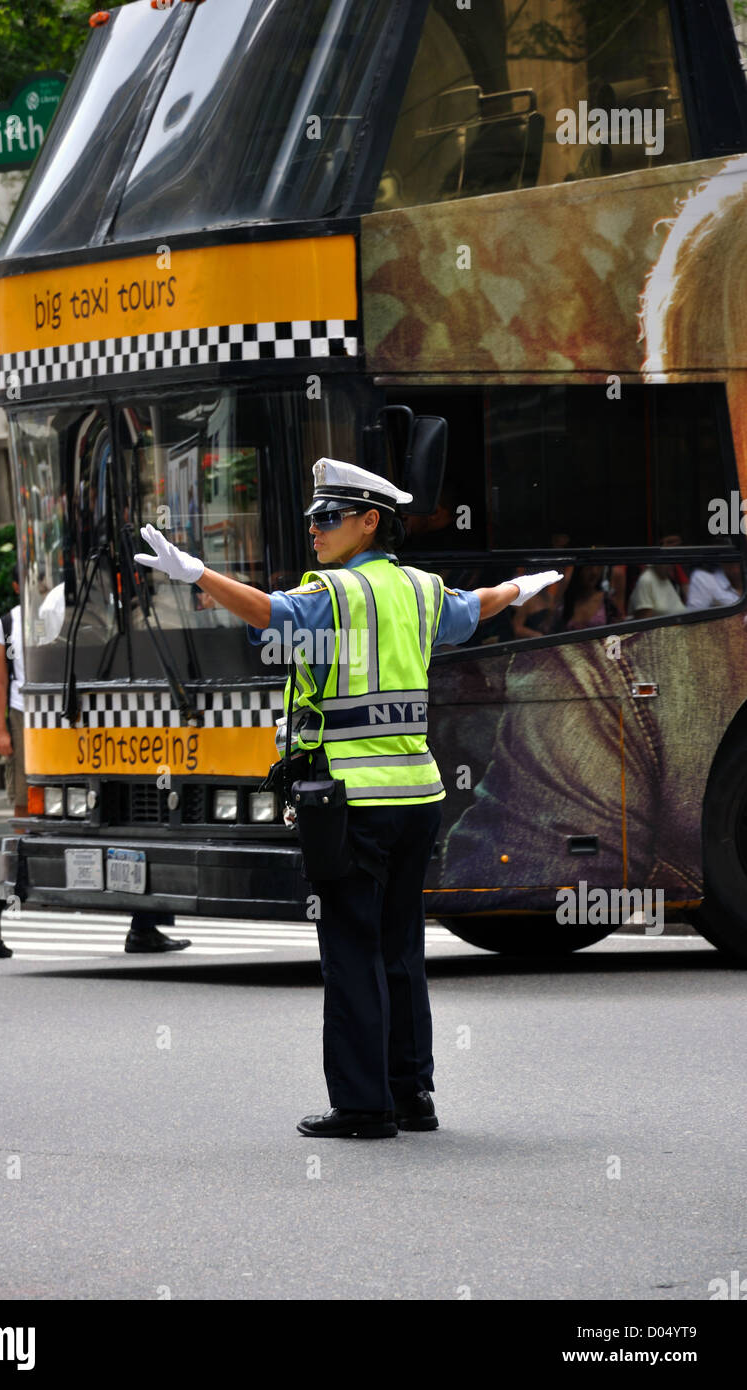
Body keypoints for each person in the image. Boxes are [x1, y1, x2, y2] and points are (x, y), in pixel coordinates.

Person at [135, 458, 559, 1137]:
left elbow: (272, 614)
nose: (313, 529)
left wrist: (197, 574)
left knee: (351, 951)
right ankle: (412, 1096)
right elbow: (470, 611)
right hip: (418, 799)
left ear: (369, 522)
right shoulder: (421, 590)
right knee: (399, 949)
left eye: (326, 517)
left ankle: (363, 1107)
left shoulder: (333, 592)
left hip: (350, 803)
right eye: (311, 518)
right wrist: (517, 589)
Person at [0, 571, 190, 958]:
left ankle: (144, 925)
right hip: (114, 722)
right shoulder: (97, 610)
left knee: (114, 827)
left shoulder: (66, 605)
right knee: (139, 824)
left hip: (79, 723)